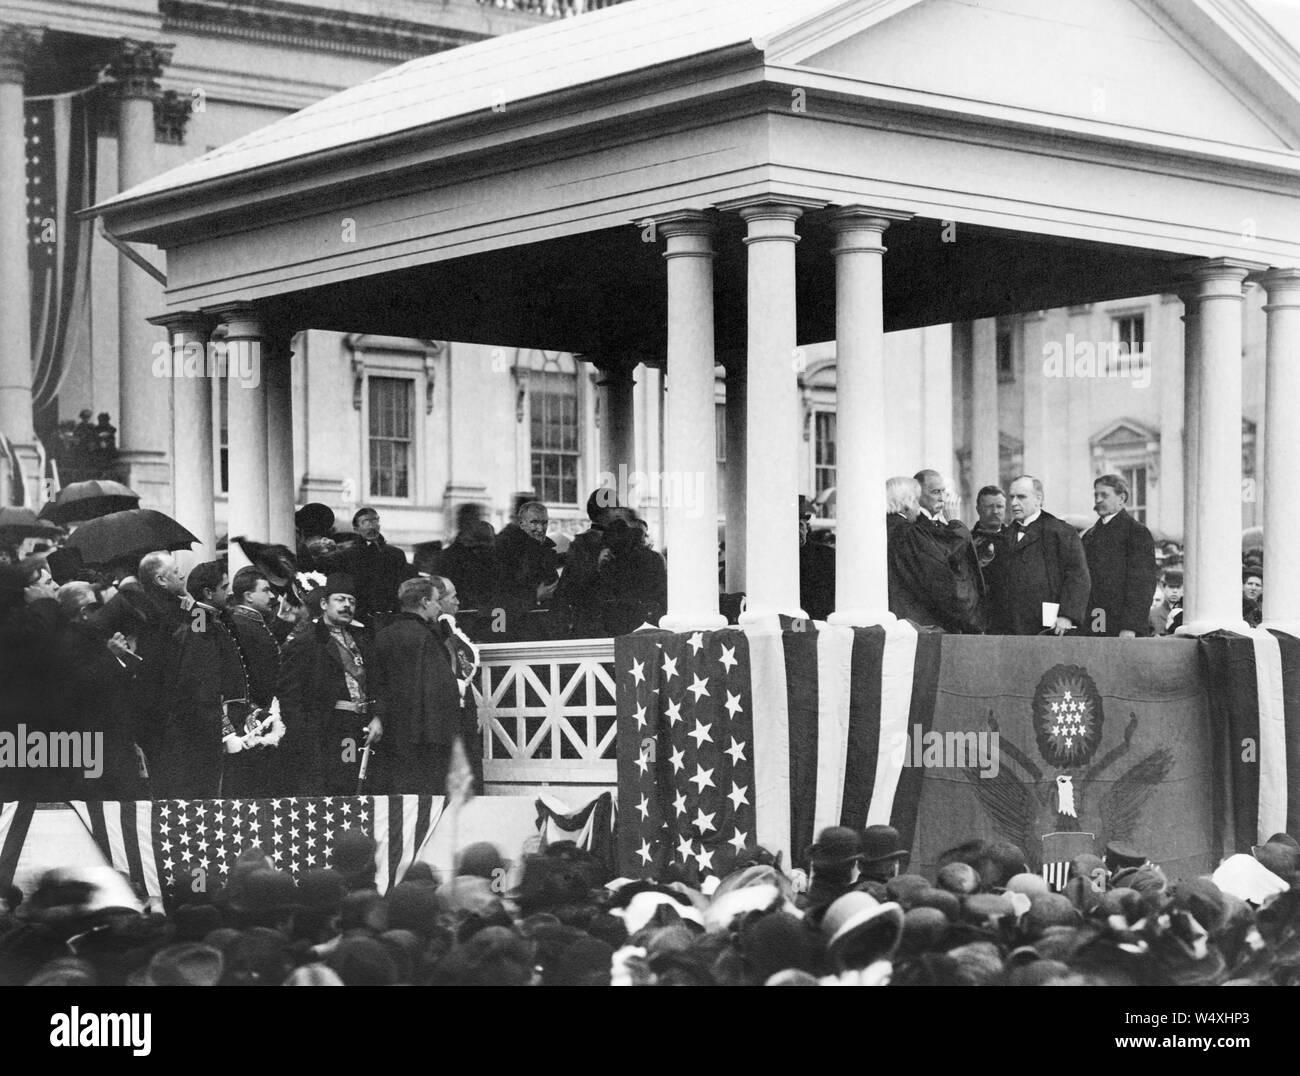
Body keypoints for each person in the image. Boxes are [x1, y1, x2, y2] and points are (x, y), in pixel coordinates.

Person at [371, 577, 477, 794]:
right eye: (436, 601)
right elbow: (442, 688)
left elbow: (377, 682)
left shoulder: (383, 635)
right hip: (428, 735)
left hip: (393, 731)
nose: (439, 606)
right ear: (424, 602)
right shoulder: (428, 637)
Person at [277, 574, 379, 795]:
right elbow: (290, 696)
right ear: (324, 604)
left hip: (358, 727)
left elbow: (378, 683)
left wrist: (378, 717)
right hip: (325, 731)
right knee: (332, 790)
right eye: (340, 600)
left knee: (352, 786)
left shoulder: (362, 640)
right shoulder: (306, 642)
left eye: (351, 602)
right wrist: (304, 737)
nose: (347, 606)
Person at [985, 475, 1090, 636]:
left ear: (1038, 499)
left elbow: (1078, 576)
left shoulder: (1061, 532)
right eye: (1011, 497)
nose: (1014, 503)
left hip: (1047, 627)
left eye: (1021, 497)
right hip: (1007, 628)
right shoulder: (1002, 536)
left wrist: (1067, 616)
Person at [887, 470, 985, 633]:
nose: (918, 507)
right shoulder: (907, 532)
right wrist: (956, 525)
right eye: (916, 500)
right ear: (906, 503)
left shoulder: (890, 528)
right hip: (919, 625)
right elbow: (938, 574)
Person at [223, 567, 293, 795]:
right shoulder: (239, 624)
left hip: (262, 714)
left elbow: (264, 651)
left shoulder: (251, 623)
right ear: (248, 595)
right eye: (265, 590)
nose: (272, 596)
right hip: (248, 717)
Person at [1081, 474, 1158, 637]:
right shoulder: (1089, 536)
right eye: (1096, 495)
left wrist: (1131, 626)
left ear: (1121, 498)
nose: (1098, 500)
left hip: (1124, 626)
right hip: (1095, 620)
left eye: (1104, 495)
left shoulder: (1137, 532)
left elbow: (1142, 584)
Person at [321, 508, 416, 630]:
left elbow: (403, 587)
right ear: (356, 529)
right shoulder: (346, 556)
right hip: (359, 620)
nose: (371, 526)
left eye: (375, 521)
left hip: (391, 619)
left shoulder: (396, 554)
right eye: (365, 522)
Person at [493, 501, 561, 639]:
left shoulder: (545, 551)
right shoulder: (509, 554)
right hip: (520, 630)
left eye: (544, 523)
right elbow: (501, 595)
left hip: (545, 628)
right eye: (534, 522)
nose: (540, 529)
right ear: (521, 524)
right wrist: (535, 596)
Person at [799, 496, 835, 622]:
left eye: (800, 525)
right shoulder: (779, 560)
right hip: (794, 621)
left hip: (819, 621)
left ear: (807, 528)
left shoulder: (827, 554)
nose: (797, 531)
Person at [971, 485, 1007, 572]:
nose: (995, 511)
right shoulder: (968, 540)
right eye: (989, 506)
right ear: (978, 509)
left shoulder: (1014, 539)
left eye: (999, 506)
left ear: (1005, 509)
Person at [1149, 568, 1183, 637]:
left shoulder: (1187, 616)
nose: (1175, 591)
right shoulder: (1152, 615)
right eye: (1171, 587)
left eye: (1178, 587)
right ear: (1164, 588)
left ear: (1183, 590)